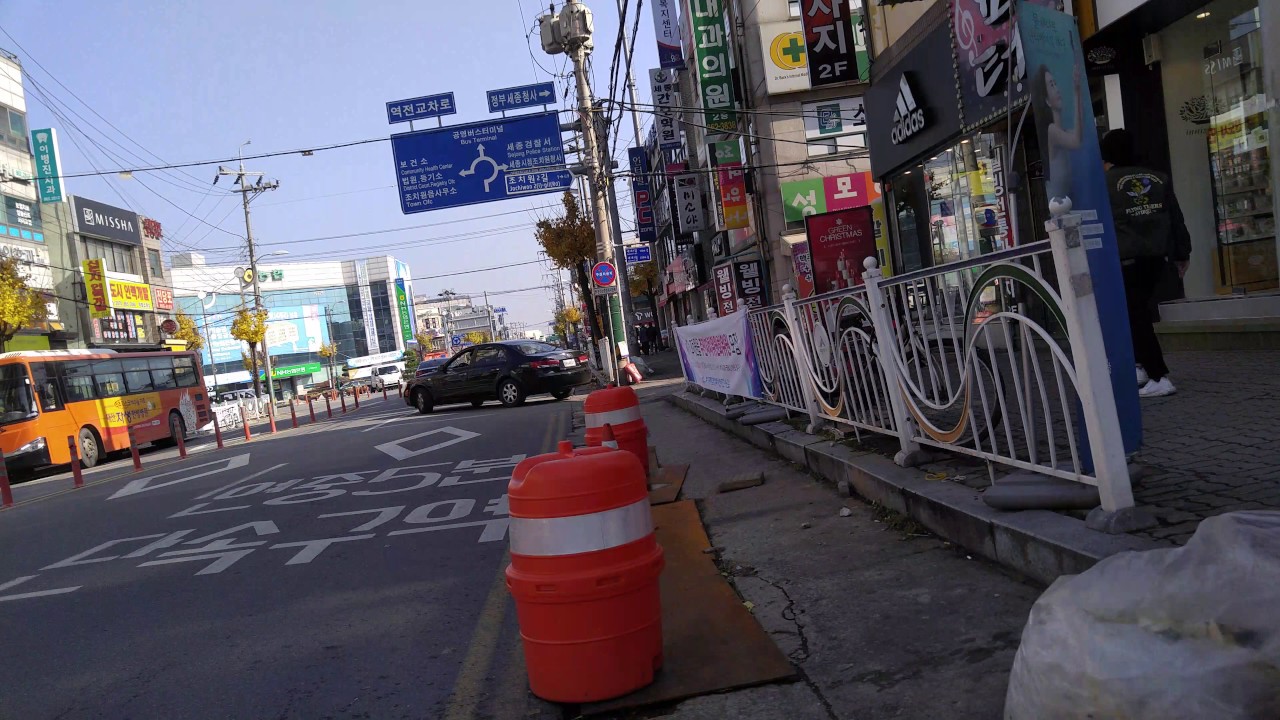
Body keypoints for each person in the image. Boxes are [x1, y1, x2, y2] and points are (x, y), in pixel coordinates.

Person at [1101, 128, 1192, 398]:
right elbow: (1176, 218)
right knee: (1137, 312)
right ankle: (1141, 366)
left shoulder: (1105, 183)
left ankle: (1158, 375)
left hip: (1125, 258)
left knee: (1135, 316)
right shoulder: (1159, 178)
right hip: (1156, 258)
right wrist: (1182, 254)